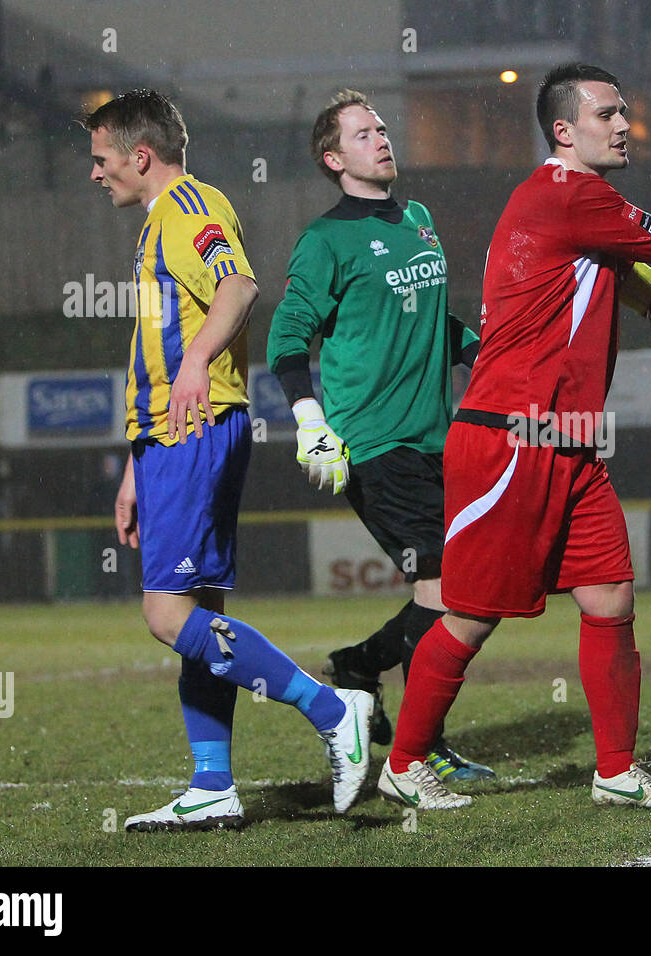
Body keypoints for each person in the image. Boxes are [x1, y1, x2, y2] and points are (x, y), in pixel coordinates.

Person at [374, 63, 651, 812]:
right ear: (563, 131)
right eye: (608, 113)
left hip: (568, 444)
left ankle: (616, 770)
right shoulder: (566, 197)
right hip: (512, 437)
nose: (625, 123)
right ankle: (404, 762)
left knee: (609, 598)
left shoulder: (591, 224)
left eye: (625, 110)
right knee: (469, 613)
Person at [85, 89, 372, 831]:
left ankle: (332, 707)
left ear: (138, 156)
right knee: (201, 614)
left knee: (165, 612)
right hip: (169, 436)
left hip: (194, 427)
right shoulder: (160, 222)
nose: (96, 174)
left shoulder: (186, 209)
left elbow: (240, 285)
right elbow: (160, 350)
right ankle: (212, 783)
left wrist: (197, 365)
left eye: (101, 159)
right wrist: (133, 467)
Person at [267, 89, 494, 784]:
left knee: (466, 589)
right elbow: (284, 333)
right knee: (449, 587)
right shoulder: (325, 240)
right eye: (364, 134)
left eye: (383, 128)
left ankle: (363, 665)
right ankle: (418, 752)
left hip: (437, 439)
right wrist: (309, 418)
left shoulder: (417, 218)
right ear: (334, 159)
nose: (383, 139)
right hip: (373, 443)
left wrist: (483, 355)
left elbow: (434, 322)